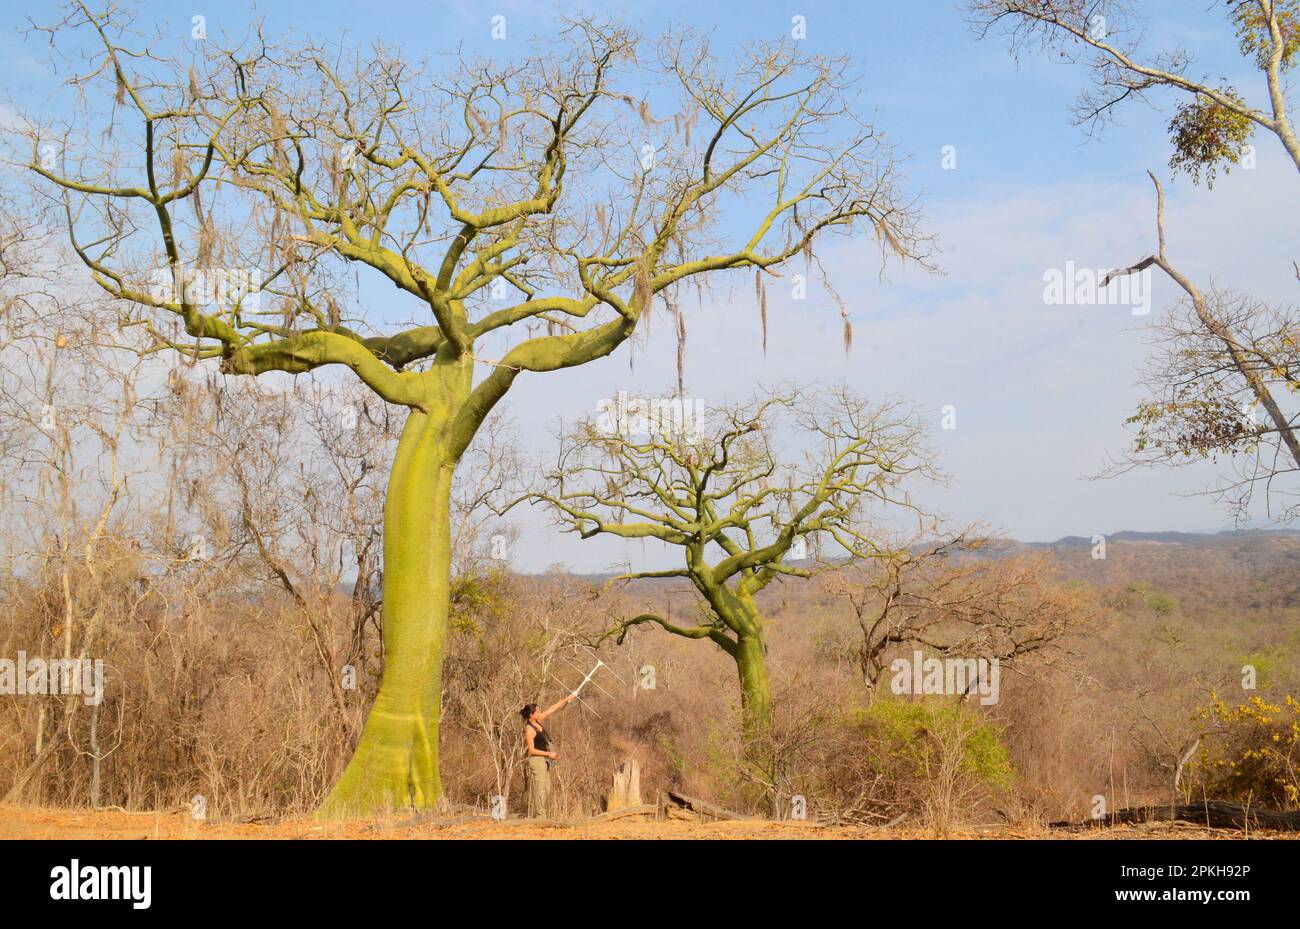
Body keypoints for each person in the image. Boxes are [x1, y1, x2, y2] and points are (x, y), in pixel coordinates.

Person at [520, 694, 576, 818]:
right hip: (537, 760)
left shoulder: (538, 721)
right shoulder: (529, 729)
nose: (540, 713)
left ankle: (542, 814)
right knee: (541, 788)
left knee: (547, 788)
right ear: (531, 715)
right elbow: (532, 750)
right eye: (538, 711)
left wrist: (566, 700)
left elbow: (552, 709)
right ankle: (540, 816)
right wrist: (548, 753)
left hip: (544, 760)